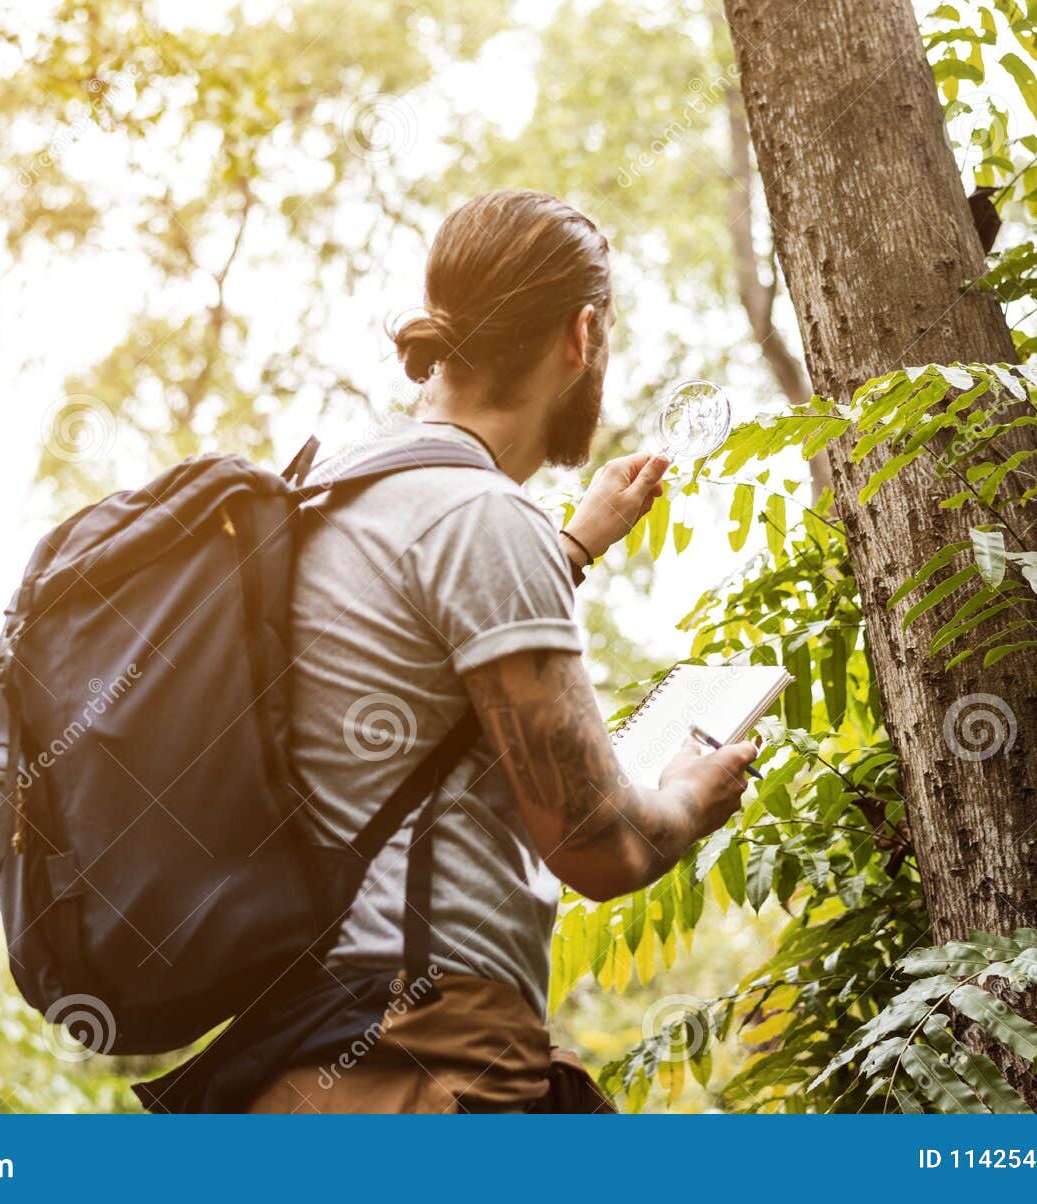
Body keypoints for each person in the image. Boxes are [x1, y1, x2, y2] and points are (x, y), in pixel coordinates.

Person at [145, 189, 756, 1114]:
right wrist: (686, 796)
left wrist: (576, 546)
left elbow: (414, 667)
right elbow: (599, 849)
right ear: (580, 337)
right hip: (425, 1056)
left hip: (300, 1054)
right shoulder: (484, 521)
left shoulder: (332, 490)